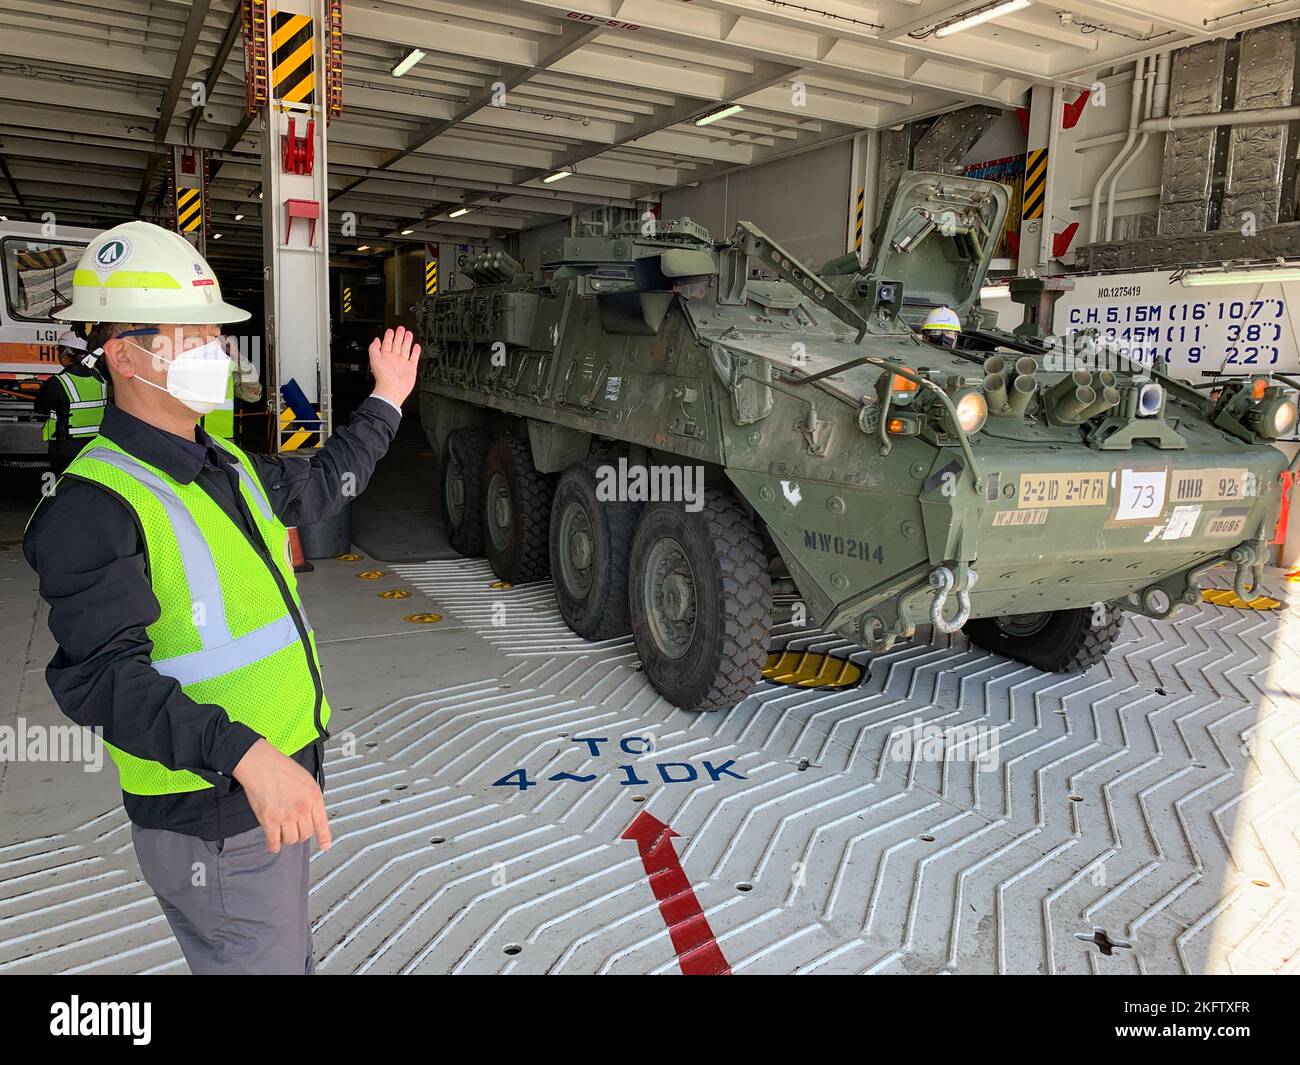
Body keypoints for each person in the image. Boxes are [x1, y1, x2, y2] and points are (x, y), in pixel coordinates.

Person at [23, 220, 420, 974]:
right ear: (125, 354)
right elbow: (102, 678)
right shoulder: (93, 506)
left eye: (214, 331)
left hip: (269, 788)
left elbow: (329, 479)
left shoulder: (225, 462)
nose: (215, 349)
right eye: (191, 334)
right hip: (216, 813)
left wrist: (388, 401)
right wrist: (244, 754)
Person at [33, 330, 108, 473]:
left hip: (65, 449)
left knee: (62, 486)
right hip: (95, 446)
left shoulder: (57, 382)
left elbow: (40, 408)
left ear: (66, 353)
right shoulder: (102, 380)